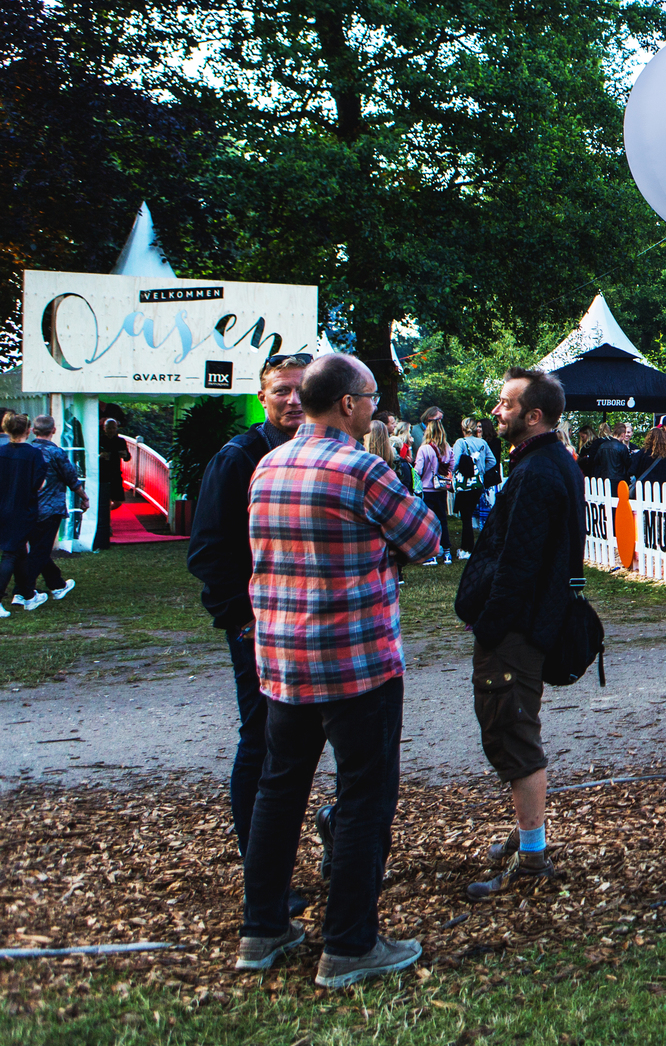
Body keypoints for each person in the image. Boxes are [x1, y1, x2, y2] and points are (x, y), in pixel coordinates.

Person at [236, 354, 441, 989]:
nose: (376, 407)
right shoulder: (361, 469)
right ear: (349, 404)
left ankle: (262, 928)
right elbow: (428, 540)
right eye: (372, 397)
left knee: (279, 789)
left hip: (283, 658)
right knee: (363, 797)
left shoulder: (268, 465)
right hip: (357, 662)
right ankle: (350, 943)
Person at [456, 367, 585, 899]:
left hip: (515, 630)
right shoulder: (548, 463)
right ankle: (525, 834)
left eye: (505, 404)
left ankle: (533, 857)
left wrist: (489, 625)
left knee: (513, 734)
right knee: (515, 724)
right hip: (527, 624)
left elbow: (519, 565)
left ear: (533, 416)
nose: (496, 411)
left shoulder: (538, 473)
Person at [187, 352, 310, 873]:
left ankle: (301, 848)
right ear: (262, 397)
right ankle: (260, 864)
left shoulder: (322, 454)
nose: (293, 399)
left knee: (307, 743)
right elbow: (209, 550)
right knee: (262, 741)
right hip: (259, 627)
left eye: (302, 389)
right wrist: (241, 619)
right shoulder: (239, 457)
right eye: (282, 390)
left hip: (312, 626)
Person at [23, 414, 86, 607]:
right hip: (51, 508)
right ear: (54, 430)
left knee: (37, 549)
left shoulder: (27, 451)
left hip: (28, 508)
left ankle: (56, 584)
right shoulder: (56, 453)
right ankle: (23, 591)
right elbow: (71, 477)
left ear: (33, 431)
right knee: (40, 551)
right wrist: (84, 497)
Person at [1, 414, 46, 613]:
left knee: (19, 552)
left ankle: (28, 595)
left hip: (2, 507)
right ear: (28, 431)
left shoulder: (1, 453)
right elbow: (39, 485)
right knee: (11, 554)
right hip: (22, 509)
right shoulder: (34, 455)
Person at [450, 418, 497, 560]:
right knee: (473, 514)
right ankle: (475, 546)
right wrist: (481, 471)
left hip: (465, 484)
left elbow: (456, 462)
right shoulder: (482, 443)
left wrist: (453, 473)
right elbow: (492, 461)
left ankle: (467, 548)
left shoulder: (460, 443)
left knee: (466, 518)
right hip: (478, 483)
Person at [414, 417, 452, 565]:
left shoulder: (424, 449)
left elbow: (418, 469)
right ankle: (447, 553)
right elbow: (452, 466)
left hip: (427, 488)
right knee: (443, 520)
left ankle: (432, 554)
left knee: (429, 522)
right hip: (441, 488)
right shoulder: (447, 448)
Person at [97, 417, 130, 548]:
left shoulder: (121, 441)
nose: (111, 430)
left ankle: (105, 514)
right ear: (104, 428)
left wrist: (124, 454)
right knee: (106, 498)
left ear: (116, 429)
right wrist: (100, 456)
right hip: (103, 473)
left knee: (118, 501)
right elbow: (91, 455)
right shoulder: (99, 440)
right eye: (108, 428)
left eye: (113, 428)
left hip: (116, 473)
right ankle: (106, 524)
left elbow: (127, 457)